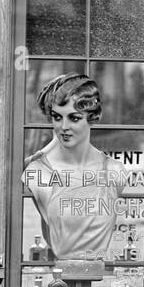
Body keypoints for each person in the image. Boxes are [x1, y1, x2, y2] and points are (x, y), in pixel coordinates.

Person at [23, 73, 119, 265]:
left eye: (74, 118)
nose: (63, 126)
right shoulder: (38, 170)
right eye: (56, 117)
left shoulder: (112, 169)